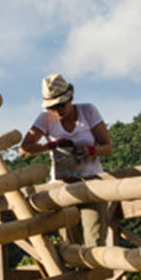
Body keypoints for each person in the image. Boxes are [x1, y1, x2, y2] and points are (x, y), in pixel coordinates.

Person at [19, 75, 113, 243]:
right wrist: (51, 146)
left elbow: (108, 147)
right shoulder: (45, 119)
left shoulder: (88, 111)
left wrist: (89, 151)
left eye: (61, 105)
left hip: (91, 182)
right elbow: (24, 149)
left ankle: (98, 270)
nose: (57, 111)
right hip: (62, 186)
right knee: (70, 243)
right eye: (52, 107)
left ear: (71, 98)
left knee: (96, 238)